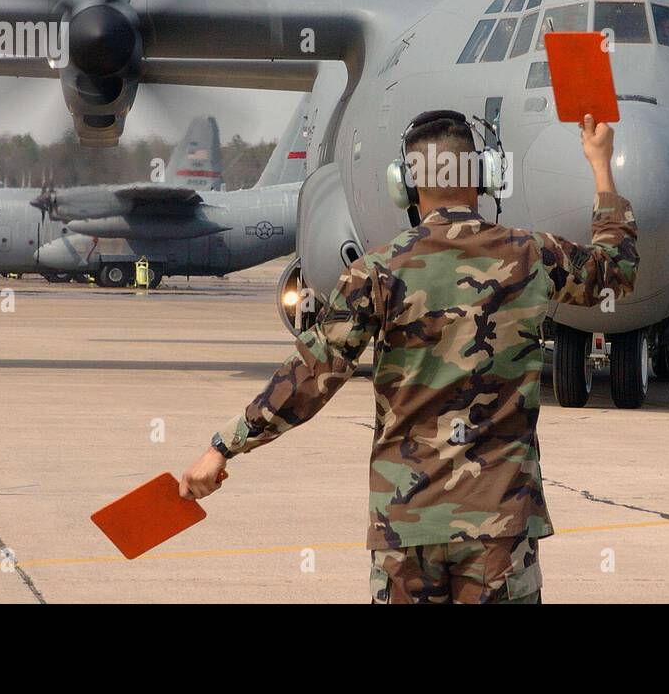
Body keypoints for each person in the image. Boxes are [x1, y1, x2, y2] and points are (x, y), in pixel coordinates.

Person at [180, 111, 638, 603]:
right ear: (483, 176)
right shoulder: (530, 256)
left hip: (407, 526)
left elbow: (311, 377)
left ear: (405, 184)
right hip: (500, 527)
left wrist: (223, 447)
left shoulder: (376, 272)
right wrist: (600, 164)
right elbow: (616, 269)